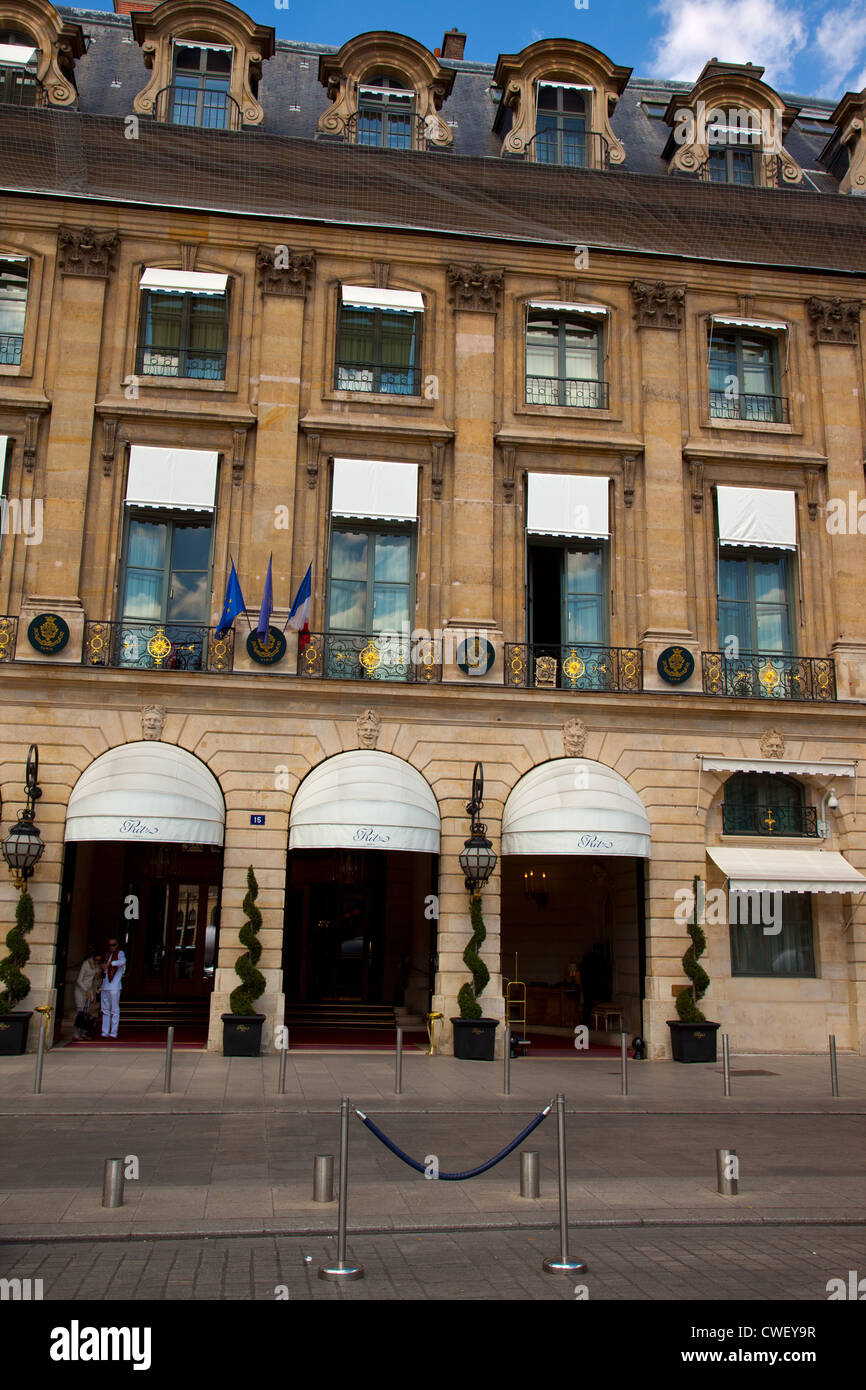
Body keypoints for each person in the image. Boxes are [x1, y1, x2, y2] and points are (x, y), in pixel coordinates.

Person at [101, 938, 126, 1039]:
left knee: (114, 1010)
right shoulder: (107, 955)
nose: (111, 947)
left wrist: (111, 963)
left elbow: (123, 961)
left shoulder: (120, 953)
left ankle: (113, 1032)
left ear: (117, 945)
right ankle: (105, 1031)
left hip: (114, 986)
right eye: (110, 945)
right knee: (105, 1010)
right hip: (105, 985)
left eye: (113, 945)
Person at [73, 949, 101, 1039]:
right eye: (96, 960)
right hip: (81, 990)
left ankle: (84, 1033)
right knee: (80, 1012)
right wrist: (86, 991)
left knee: (87, 1013)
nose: (97, 961)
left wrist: (95, 991)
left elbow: (95, 981)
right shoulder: (86, 964)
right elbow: (79, 980)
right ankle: (76, 1033)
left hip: (89, 990)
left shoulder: (97, 966)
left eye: (99, 960)